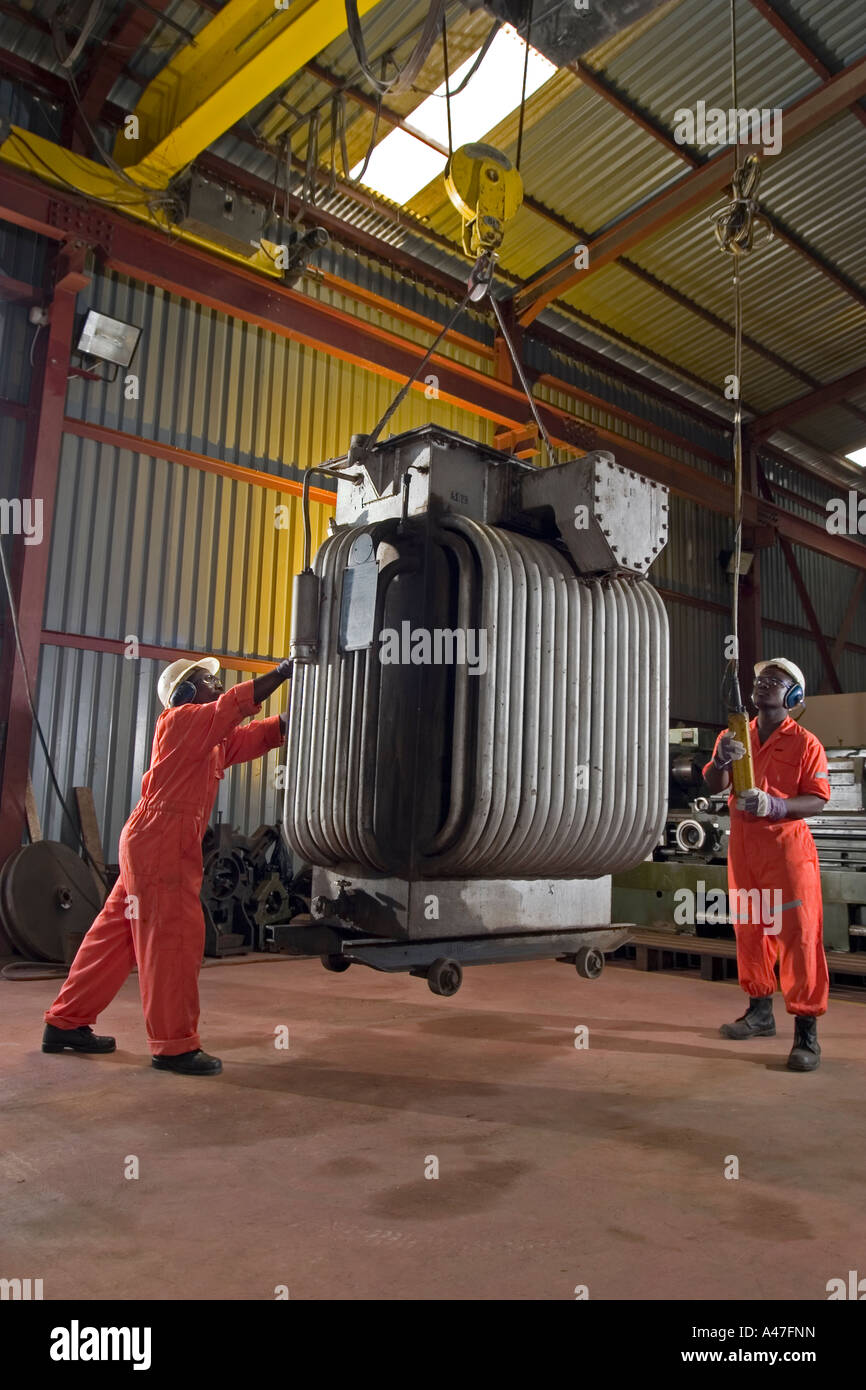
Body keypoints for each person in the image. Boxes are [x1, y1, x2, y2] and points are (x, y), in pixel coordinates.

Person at [42, 657, 293, 1076]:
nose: (217, 684)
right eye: (207, 680)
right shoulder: (180, 722)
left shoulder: (210, 740)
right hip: (161, 841)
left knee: (116, 936)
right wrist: (284, 671)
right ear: (185, 694)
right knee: (173, 937)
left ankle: (65, 1022)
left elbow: (252, 736)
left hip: (151, 841)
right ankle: (173, 1047)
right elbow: (231, 707)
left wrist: (291, 719)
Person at [703, 658, 830, 1071]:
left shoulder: (806, 743)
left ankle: (807, 1033)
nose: (763, 685)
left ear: (794, 695)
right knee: (751, 929)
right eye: (760, 679)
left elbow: (817, 798)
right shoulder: (733, 733)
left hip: (786, 850)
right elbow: (714, 783)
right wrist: (721, 760)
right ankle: (759, 1013)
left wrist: (776, 804)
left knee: (798, 935)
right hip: (744, 845)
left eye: (776, 681)